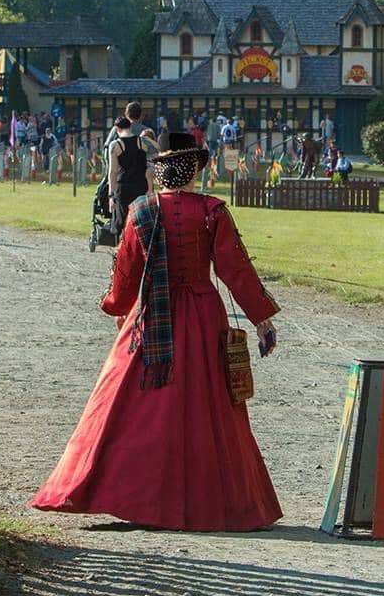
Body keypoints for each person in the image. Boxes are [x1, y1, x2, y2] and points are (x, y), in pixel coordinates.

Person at [33, 131, 282, 530]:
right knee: (209, 408)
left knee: (129, 407)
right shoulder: (212, 211)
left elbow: (126, 273)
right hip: (202, 315)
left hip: (151, 316)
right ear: (196, 169)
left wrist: (118, 307)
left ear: (162, 171)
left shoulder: (140, 211)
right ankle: (214, 501)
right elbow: (235, 271)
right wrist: (262, 320)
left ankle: (126, 491)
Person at [106, 103, 157, 236]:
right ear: (140, 115)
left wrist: (111, 194)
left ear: (126, 114)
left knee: (122, 222)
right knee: (141, 221)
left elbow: (112, 169)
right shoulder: (145, 136)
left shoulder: (116, 139)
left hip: (123, 184)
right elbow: (156, 154)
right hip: (141, 183)